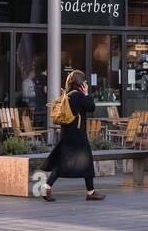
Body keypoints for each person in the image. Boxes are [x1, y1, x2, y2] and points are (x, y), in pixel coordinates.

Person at [41, 70, 104, 203]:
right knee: (87, 161)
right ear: (80, 83)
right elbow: (91, 107)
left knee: (62, 161)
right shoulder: (79, 96)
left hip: (67, 133)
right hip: (78, 135)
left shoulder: (67, 95)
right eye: (84, 82)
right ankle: (91, 192)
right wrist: (86, 94)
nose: (86, 84)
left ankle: (46, 186)